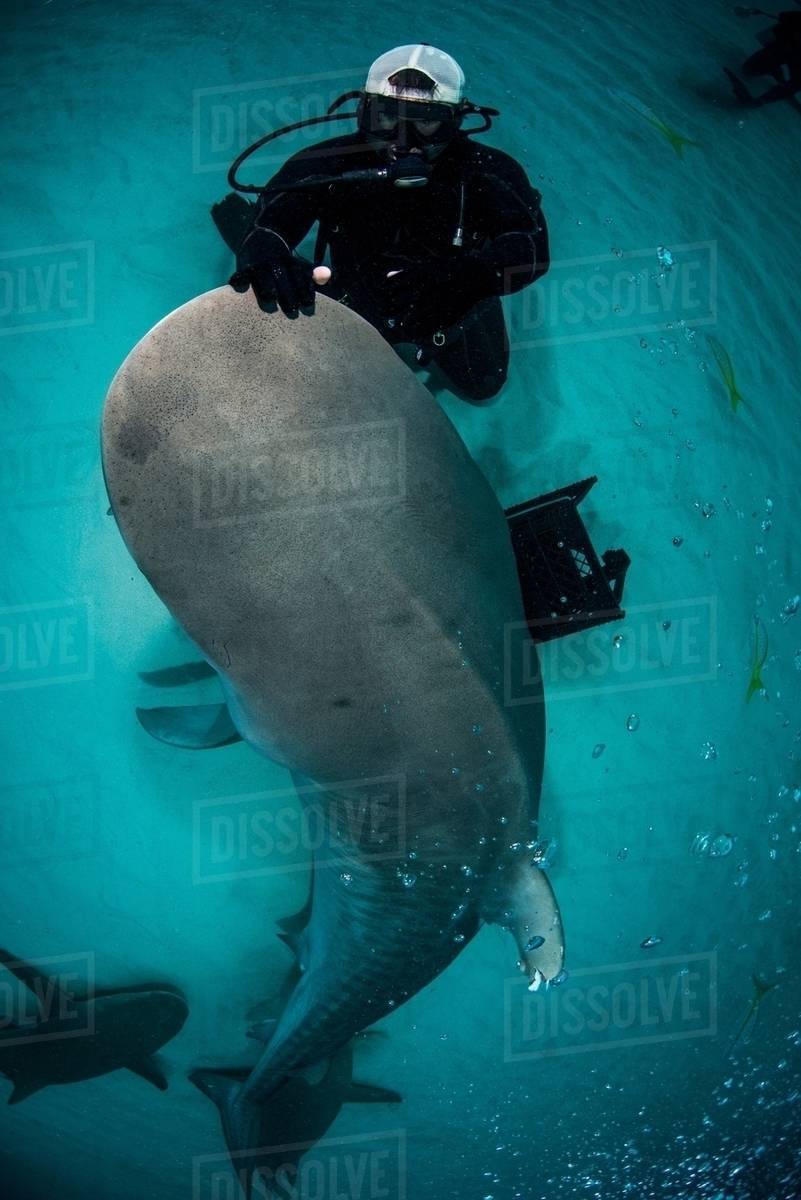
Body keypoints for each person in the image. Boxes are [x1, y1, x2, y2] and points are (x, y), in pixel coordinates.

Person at [220, 45, 549, 403]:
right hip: (354, 294)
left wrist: (467, 278)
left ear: (455, 121)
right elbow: (272, 225)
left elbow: (530, 246)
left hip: (453, 298)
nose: (404, 143)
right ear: (364, 111)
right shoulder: (328, 163)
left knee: (483, 384)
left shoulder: (488, 171)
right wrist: (263, 249)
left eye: (426, 122)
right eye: (387, 118)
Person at [725, 10, 801, 105]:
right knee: (749, 69)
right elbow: (785, 16)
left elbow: (784, 16)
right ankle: (774, 70)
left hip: (791, 52)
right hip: (787, 48)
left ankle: (762, 100)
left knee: (796, 82)